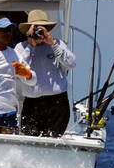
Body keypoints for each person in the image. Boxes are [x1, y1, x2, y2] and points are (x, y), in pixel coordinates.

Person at [13, 9, 76, 138]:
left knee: (54, 140)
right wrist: (31, 45)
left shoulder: (58, 44)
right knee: (29, 140)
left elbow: (71, 63)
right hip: (32, 104)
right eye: (35, 29)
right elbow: (19, 70)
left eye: (42, 28)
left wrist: (52, 43)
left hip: (57, 103)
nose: (38, 33)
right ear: (28, 30)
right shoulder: (20, 47)